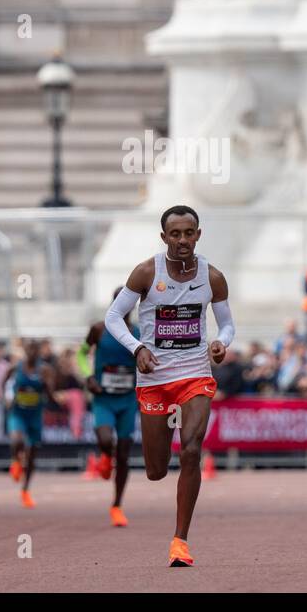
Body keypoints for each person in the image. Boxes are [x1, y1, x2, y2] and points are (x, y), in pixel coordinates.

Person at [104, 204, 234, 567]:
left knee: (191, 451)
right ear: (164, 238)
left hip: (195, 375)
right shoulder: (147, 272)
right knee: (156, 470)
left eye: (188, 233)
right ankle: (160, 471)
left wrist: (222, 342)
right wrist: (138, 347)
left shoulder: (213, 276)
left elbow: (226, 324)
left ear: (198, 235)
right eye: (174, 234)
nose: (182, 240)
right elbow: (113, 317)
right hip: (155, 379)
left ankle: (180, 541)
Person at [84, 286, 141, 527]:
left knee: (125, 454)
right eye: (120, 300)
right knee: (106, 439)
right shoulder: (98, 329)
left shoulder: (138, 331)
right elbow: (81, 353)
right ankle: (105, 455)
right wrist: (88, 376)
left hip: (128, 399)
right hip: (104, 398)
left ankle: (117, 505)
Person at [4, 348, 54, 508]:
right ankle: (16, 461)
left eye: (35, 353)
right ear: (26, 354)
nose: (32, 356)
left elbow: (50, 391)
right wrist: (6, 399)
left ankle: (25, 490)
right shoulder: (15, 368)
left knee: (32, 454)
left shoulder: (45, 370)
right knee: (16, 440)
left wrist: (48, 389)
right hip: (18, 412)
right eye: (29, 353)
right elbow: (3, 382)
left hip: (35, 415)